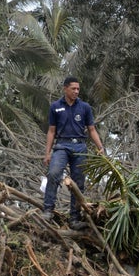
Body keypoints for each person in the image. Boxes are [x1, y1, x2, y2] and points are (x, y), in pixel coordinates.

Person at [43, 76, 104, 229]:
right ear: (65, 88)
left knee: (78, 183)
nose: (76, 91)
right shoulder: (55, 106)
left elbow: (91, 129)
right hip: (62, 145)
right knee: (53, 173)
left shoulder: (84, 107)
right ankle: (48, 210)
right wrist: (48, 153)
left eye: (78, 89)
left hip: (80, 147)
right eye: (73, 89)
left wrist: (100, 147)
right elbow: (51, 131)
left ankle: (74, 219)